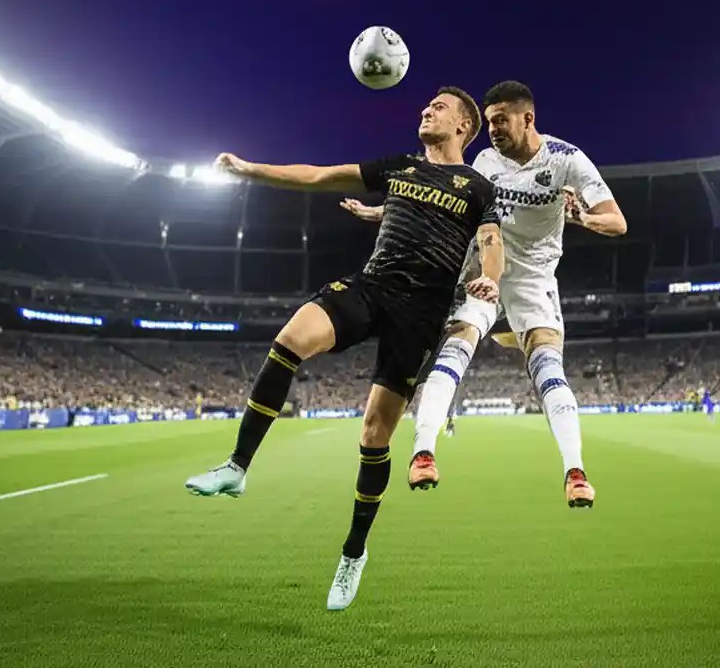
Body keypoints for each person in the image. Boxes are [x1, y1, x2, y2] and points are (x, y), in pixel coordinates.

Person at [184, 87, 503, 611]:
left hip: (421, 315)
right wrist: (249, 170)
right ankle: (236, 468)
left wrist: (489, 280)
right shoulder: (399, 167)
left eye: (439, 107)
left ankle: (354, 553)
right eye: (425, 106)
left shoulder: (476, 186)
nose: (426, 110)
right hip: (372, 286)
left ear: (465, 126)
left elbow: (492, 241)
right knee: (289, 339)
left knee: (375, 433)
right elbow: (316, 174)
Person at [340, 80, 626, 507]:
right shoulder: (486, 161)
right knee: (455, 346)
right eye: (489, 122)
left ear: (527, 118)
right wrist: (381, 210)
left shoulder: (567, 160)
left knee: (548, 364)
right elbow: (453, 200)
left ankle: (575, 471)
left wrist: (580, 216)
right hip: (484, 269)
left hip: (533, 279)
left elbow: (616, 222)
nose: (492, 130)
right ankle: (423, 452)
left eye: (500, 121)